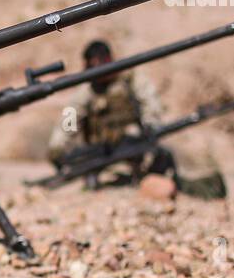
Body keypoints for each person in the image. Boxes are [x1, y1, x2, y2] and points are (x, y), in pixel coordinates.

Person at [47, 39, 175, 181]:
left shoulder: (130, 80)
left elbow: (150, 102)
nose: (98, 68)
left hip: (133, 142)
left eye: (100, 62)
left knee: (161, 157)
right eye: (93, 65)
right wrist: (57, 148)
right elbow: (69, 119)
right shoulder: (87, 90)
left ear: (108, 60)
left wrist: (151, 125)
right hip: (101, 150)